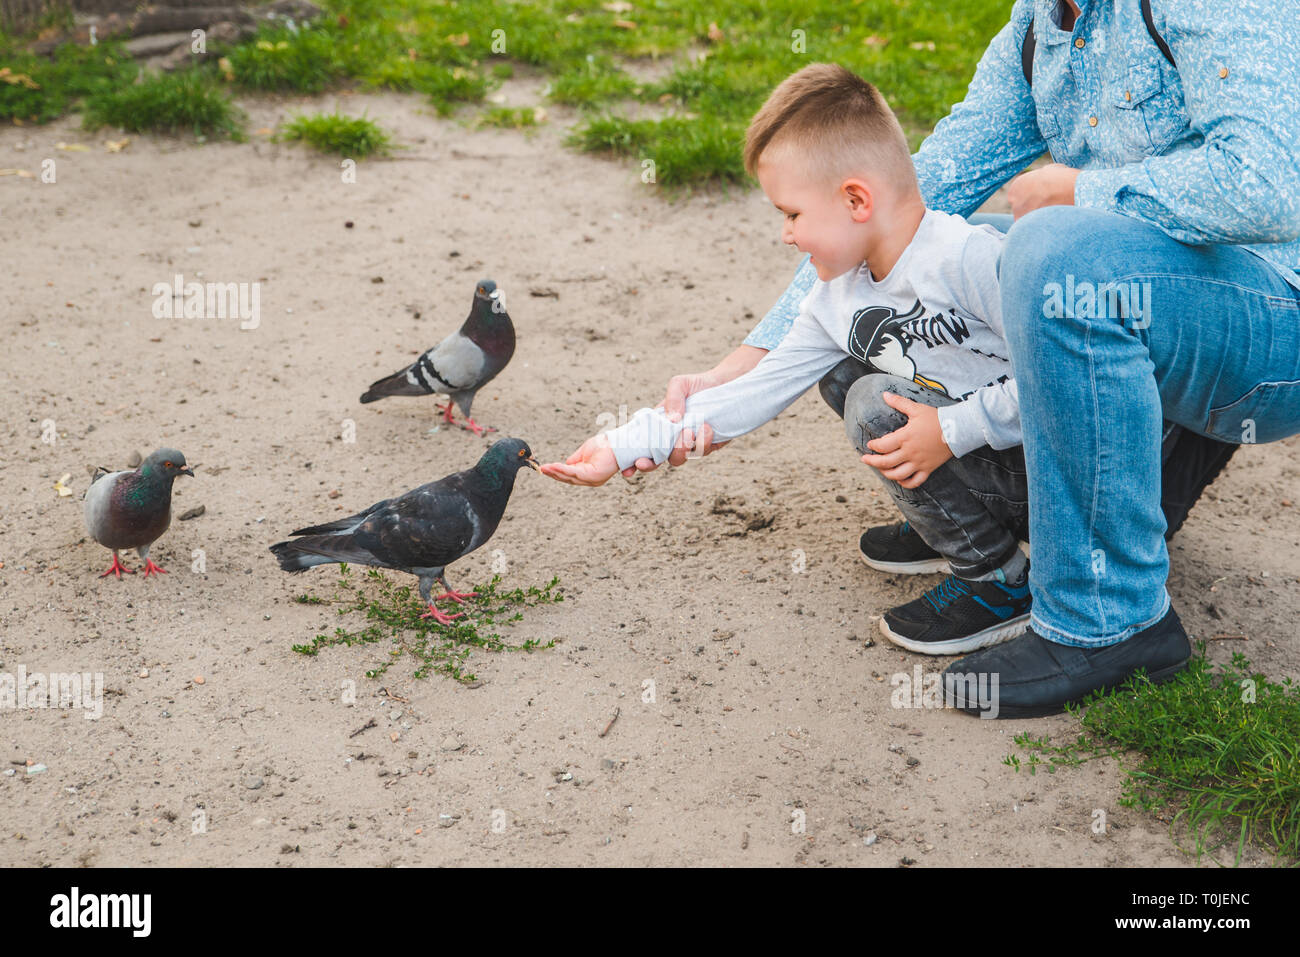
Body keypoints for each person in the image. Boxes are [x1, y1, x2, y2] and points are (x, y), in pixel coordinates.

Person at [622, 0, 1300, 718]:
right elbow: (925, 184)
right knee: (909, 264)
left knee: (1048, 253)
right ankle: (1011, 502)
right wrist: (751, 357)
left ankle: (1111, 616)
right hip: (1151, 296)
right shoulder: (1042, 20)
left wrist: (1077, 192)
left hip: (1270, 318)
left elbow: (1270, 181)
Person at [543, 63, 1039, 656]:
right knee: (842, 370)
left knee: (873, 407)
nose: (785, 234)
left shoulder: (972, 260)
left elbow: (1062, 375)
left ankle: (997, 581)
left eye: (792, 214)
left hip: (1054, 470)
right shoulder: (837, 298)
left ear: (856, 199)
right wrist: (625, 444)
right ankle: (957, 519)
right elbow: (760, 386)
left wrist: (949, 431)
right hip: (985, 455)